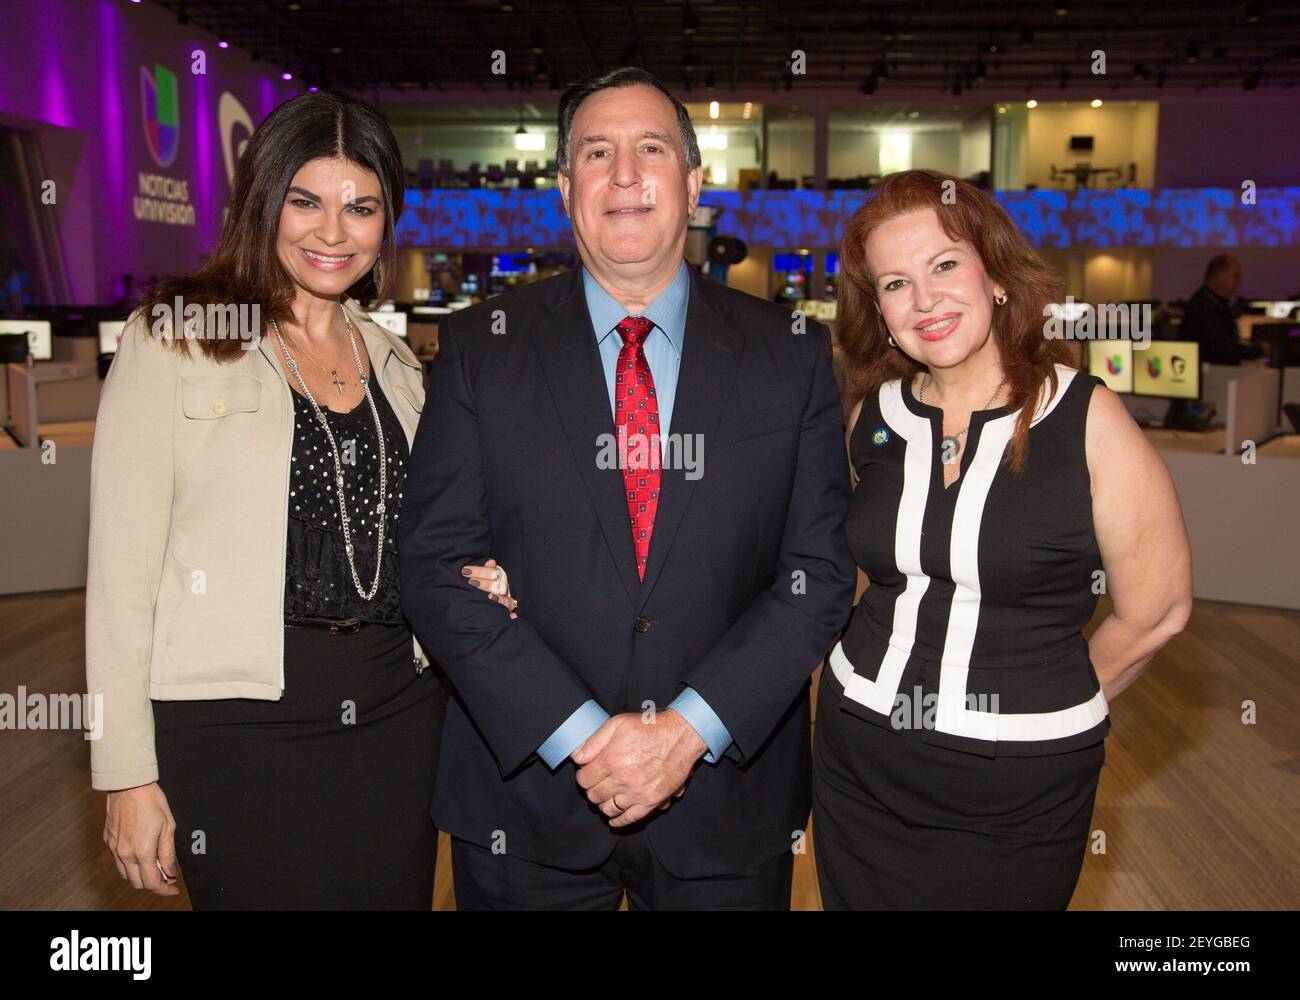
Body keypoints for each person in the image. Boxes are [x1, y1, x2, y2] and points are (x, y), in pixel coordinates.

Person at [399, 67, 856, 910]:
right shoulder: (481, 350)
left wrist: (687, 732)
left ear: (692, 181)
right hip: (524, 807)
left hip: (728, 803)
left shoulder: (791, 352)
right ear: (566, 189)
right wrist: (582, 737)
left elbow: (818, 576)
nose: (623, 175)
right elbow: (431, 567)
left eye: (650, 149)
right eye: (596, 153)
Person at [86, 90, 507, 909]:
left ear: (387, 222)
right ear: (262, 200)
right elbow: (118, 582)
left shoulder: (399, 365)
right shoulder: (174, 338)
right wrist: (127, 774)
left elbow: (413, 534)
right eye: (305, 201)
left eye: (361, 207)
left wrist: (471, 575)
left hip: (398, 713)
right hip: (237, 726)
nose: (332, 232)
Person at [817, 169, 1193, 909]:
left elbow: (1158, 610)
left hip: (1019, 796)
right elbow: (866, 574)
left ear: (994, 275)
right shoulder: (874, 415)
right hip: (858, 769)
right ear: (879, 310)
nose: (923, 300)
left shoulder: (1086, 416)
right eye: (895, 284)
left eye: (945, 265)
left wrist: (1051, 702)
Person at [1179, 254, 1260, 364]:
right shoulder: (1205, 307)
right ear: (1220, 276)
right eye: (1235, 276)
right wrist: (1259, 350)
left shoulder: (1211, 302)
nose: (1239, 282)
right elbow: (1223, 349)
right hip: (1213, 376)